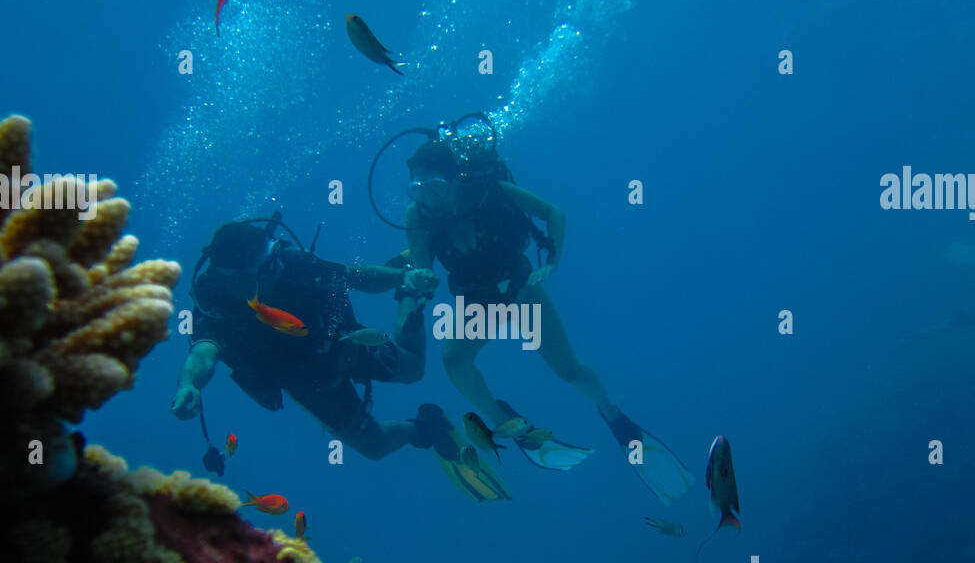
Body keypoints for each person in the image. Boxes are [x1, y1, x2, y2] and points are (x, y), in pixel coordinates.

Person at [395, 125, 693, 503]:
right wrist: (419, 278)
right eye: (415, 189)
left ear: (454, 178)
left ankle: (612, 413)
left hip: (519, 287)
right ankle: (504, 422)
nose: (425, 196)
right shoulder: (416, 217)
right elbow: (424, 268)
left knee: (568, 370)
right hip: (475, 300)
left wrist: (552, 260)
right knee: (454, 361)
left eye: (432, 183)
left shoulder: (490, 191)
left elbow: (554, 213)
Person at [171, 216, 510, 502]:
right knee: (375, 448)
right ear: (232, 274)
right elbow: (203, 352)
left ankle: (409, 294)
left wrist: (402, 278)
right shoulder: (213, 306)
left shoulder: (291, 264)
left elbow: (354, 277)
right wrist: (189, 384)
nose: (275, 268)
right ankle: (428, 425)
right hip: (303, 381)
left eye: (272, 257)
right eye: (264, 266)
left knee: (413, 370)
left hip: (340, 342)